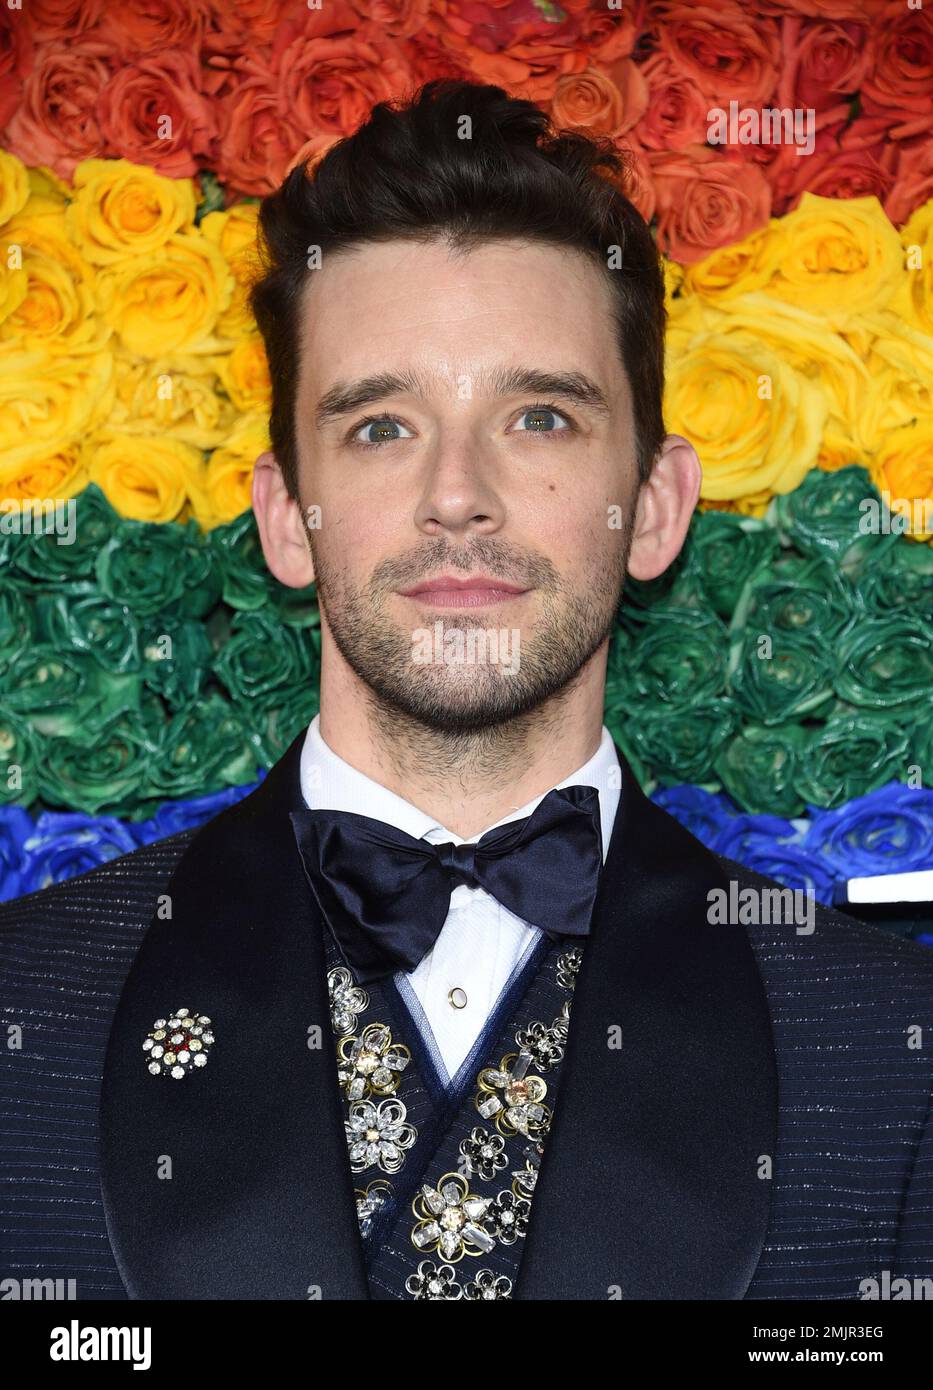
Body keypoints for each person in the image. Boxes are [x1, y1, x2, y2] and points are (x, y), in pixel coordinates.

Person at [2, 80, 931, 1303]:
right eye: (381, 426)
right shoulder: (26, 1009)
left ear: (655, 504)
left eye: (539, 417)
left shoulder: (887, 1049)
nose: (457, 494)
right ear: (286, 514)